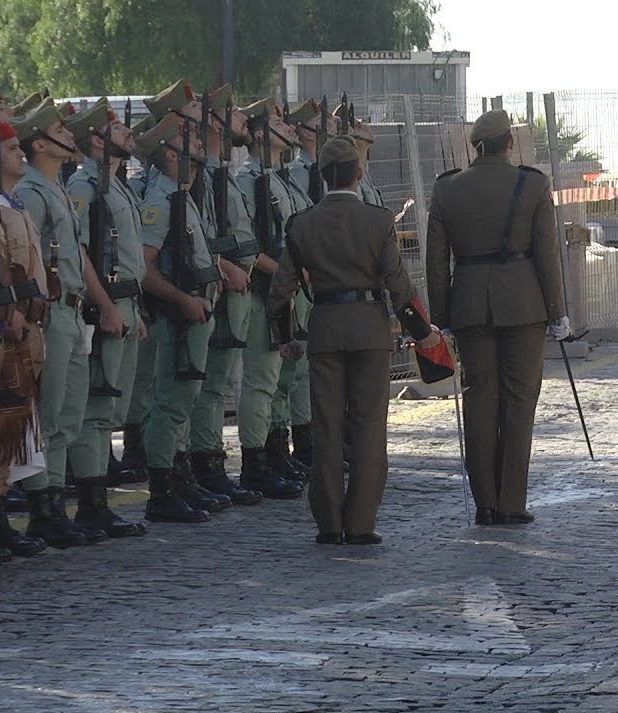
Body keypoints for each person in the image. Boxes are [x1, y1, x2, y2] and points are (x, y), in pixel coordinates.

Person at [268, 136, 441, 544]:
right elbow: (397, 284)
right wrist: (422, 331)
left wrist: (284, 337)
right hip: (369, 330)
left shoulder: (302, 223)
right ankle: (361, 522)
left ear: (322, 176)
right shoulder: (378, 221)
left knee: (326, 427)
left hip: (326, 328)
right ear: (359, 174)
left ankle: (328, 523)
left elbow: (281, 290)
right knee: (368, 426)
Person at [425, 109, 568, 526]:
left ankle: (484, 500)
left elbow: (437, 262)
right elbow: (547, 255)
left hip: (469, 301)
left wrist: (442, 316)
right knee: (520, 402)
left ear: (476, 146)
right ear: (510, 143)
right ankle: (511, 501)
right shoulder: (533, 183)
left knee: (479, 398)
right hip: (524, 304)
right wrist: (557, 312)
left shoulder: (447, 188)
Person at [14, 98, 119, 548]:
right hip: (52, 312)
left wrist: (104, 303)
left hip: (74, 311)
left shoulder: (56, 189)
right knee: (51, 413)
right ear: (40, 142)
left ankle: (56, 501)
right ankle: (43, 507)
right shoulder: (32, 193)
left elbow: (79, 256)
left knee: (70, 414)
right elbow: (24, 261)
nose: (69, 136)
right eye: (59, 129)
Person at [62, 100, 148, 537]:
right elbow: (80, 257)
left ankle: (98, 499)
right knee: (95, 408)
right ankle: (91, 502)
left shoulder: (117, 186)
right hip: (105, 306)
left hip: (126, 304)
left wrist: (136, 308)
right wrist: (109, 306)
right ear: (97, 140)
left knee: (109, 406)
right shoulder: (82, 188)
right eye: (118, 130)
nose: (129, 136)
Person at [135, 112, 222, 523]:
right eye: (189, 140)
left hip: (195, 311)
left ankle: (181, 478)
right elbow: (144, 268)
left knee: (183, 401)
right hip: (177, 315)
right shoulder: (162, 199)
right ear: (171, 153)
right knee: (170, 401)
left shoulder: (183, 195)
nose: (199, 145)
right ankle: (162, 490)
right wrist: (182, 301)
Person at [184, 85, 263, 507]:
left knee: (216, 384)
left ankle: (209, 462)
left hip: (234, 285)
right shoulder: (206, 174)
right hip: (220, 285)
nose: (243, 121)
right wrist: (224, 268)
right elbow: (197, 237)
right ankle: (202, 464)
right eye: (233, 114)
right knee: (206, 385)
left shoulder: (220, 171)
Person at [234, 98, 309, 498]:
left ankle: (277, 453)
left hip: (289, 289)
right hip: (268, 291)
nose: (290, 128)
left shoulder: (282, 179)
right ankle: (255, 463)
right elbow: (250, 247)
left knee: (282, 378)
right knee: (261, 381)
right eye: (280, 122)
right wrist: (287, 274)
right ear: (261, 135)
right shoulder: (249, 180)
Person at [0, 119, 47, 559]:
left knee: (10, 425)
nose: (20, 154)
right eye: (11, 149)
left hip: (22, 328)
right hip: (6, 325)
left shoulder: (13, 204)